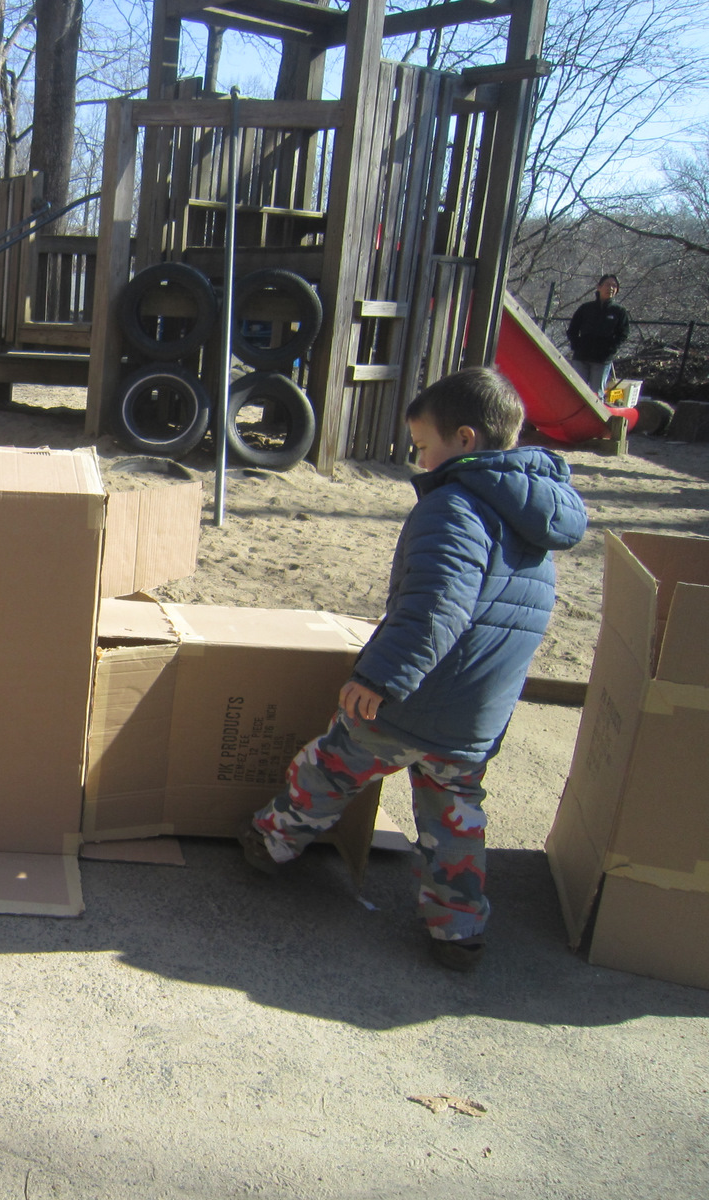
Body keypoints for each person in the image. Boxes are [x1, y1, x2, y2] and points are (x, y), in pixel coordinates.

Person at [238, 367, 588, 972]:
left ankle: (272, 842)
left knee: (330, 766)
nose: (418, 461)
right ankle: (458, 931)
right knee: (454, 815)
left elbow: (436, 608)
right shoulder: (536, 519)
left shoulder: (454, 506)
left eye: (424, 447)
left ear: (466, 439)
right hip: (475, 714)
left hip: (414, 700)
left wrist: (378, 678)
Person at [566, 274, 630, 395]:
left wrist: (611, 349)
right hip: (581, 357)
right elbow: (572, 329)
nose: (610, 288)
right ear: (599, 287)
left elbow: (623, 333)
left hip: (602, 360)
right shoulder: (586, 308)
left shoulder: (619, 311)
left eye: (614, 286)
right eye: (607, 284)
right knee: (576, 392)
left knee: (596, 394)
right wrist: (576, 345)